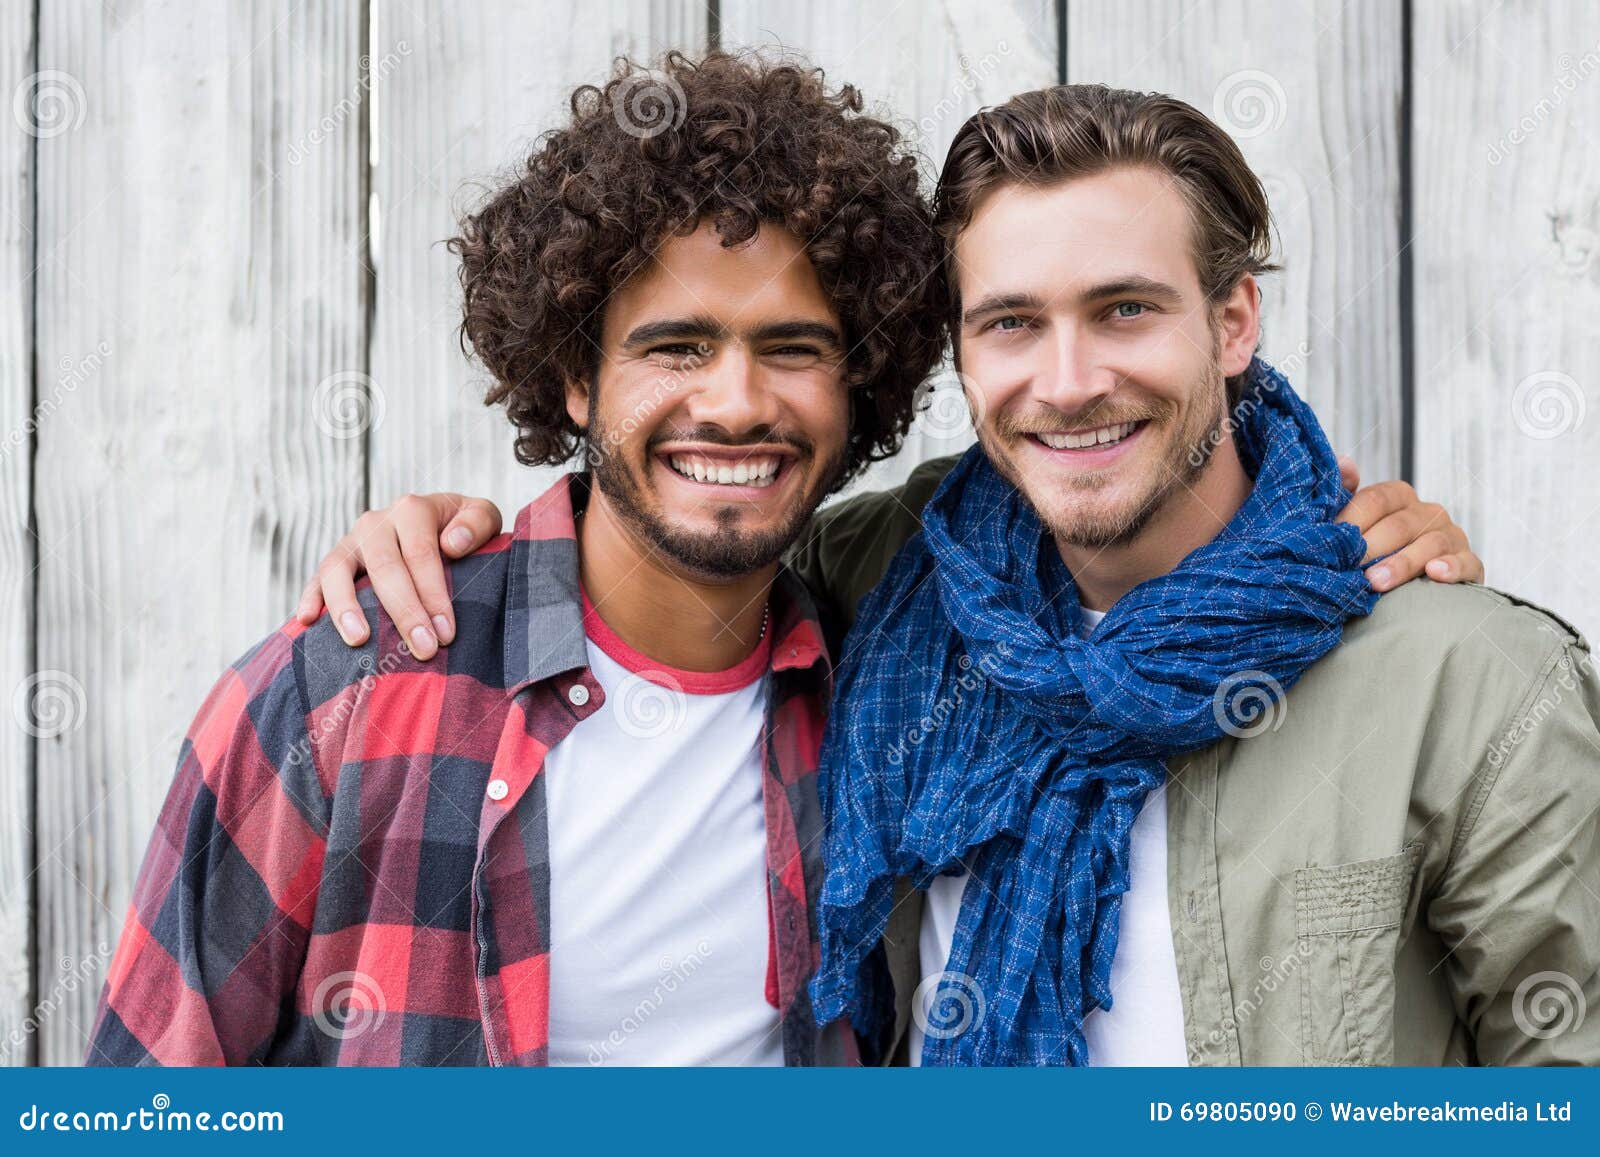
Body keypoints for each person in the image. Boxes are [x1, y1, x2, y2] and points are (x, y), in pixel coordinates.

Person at [124, 60, 1486, 1069]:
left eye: (793, 349)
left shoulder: (889, 649)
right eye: (674, 346)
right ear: (575, 379)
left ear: (863, 385)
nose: (735, 405)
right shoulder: (353, 692)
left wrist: (1328, 541)